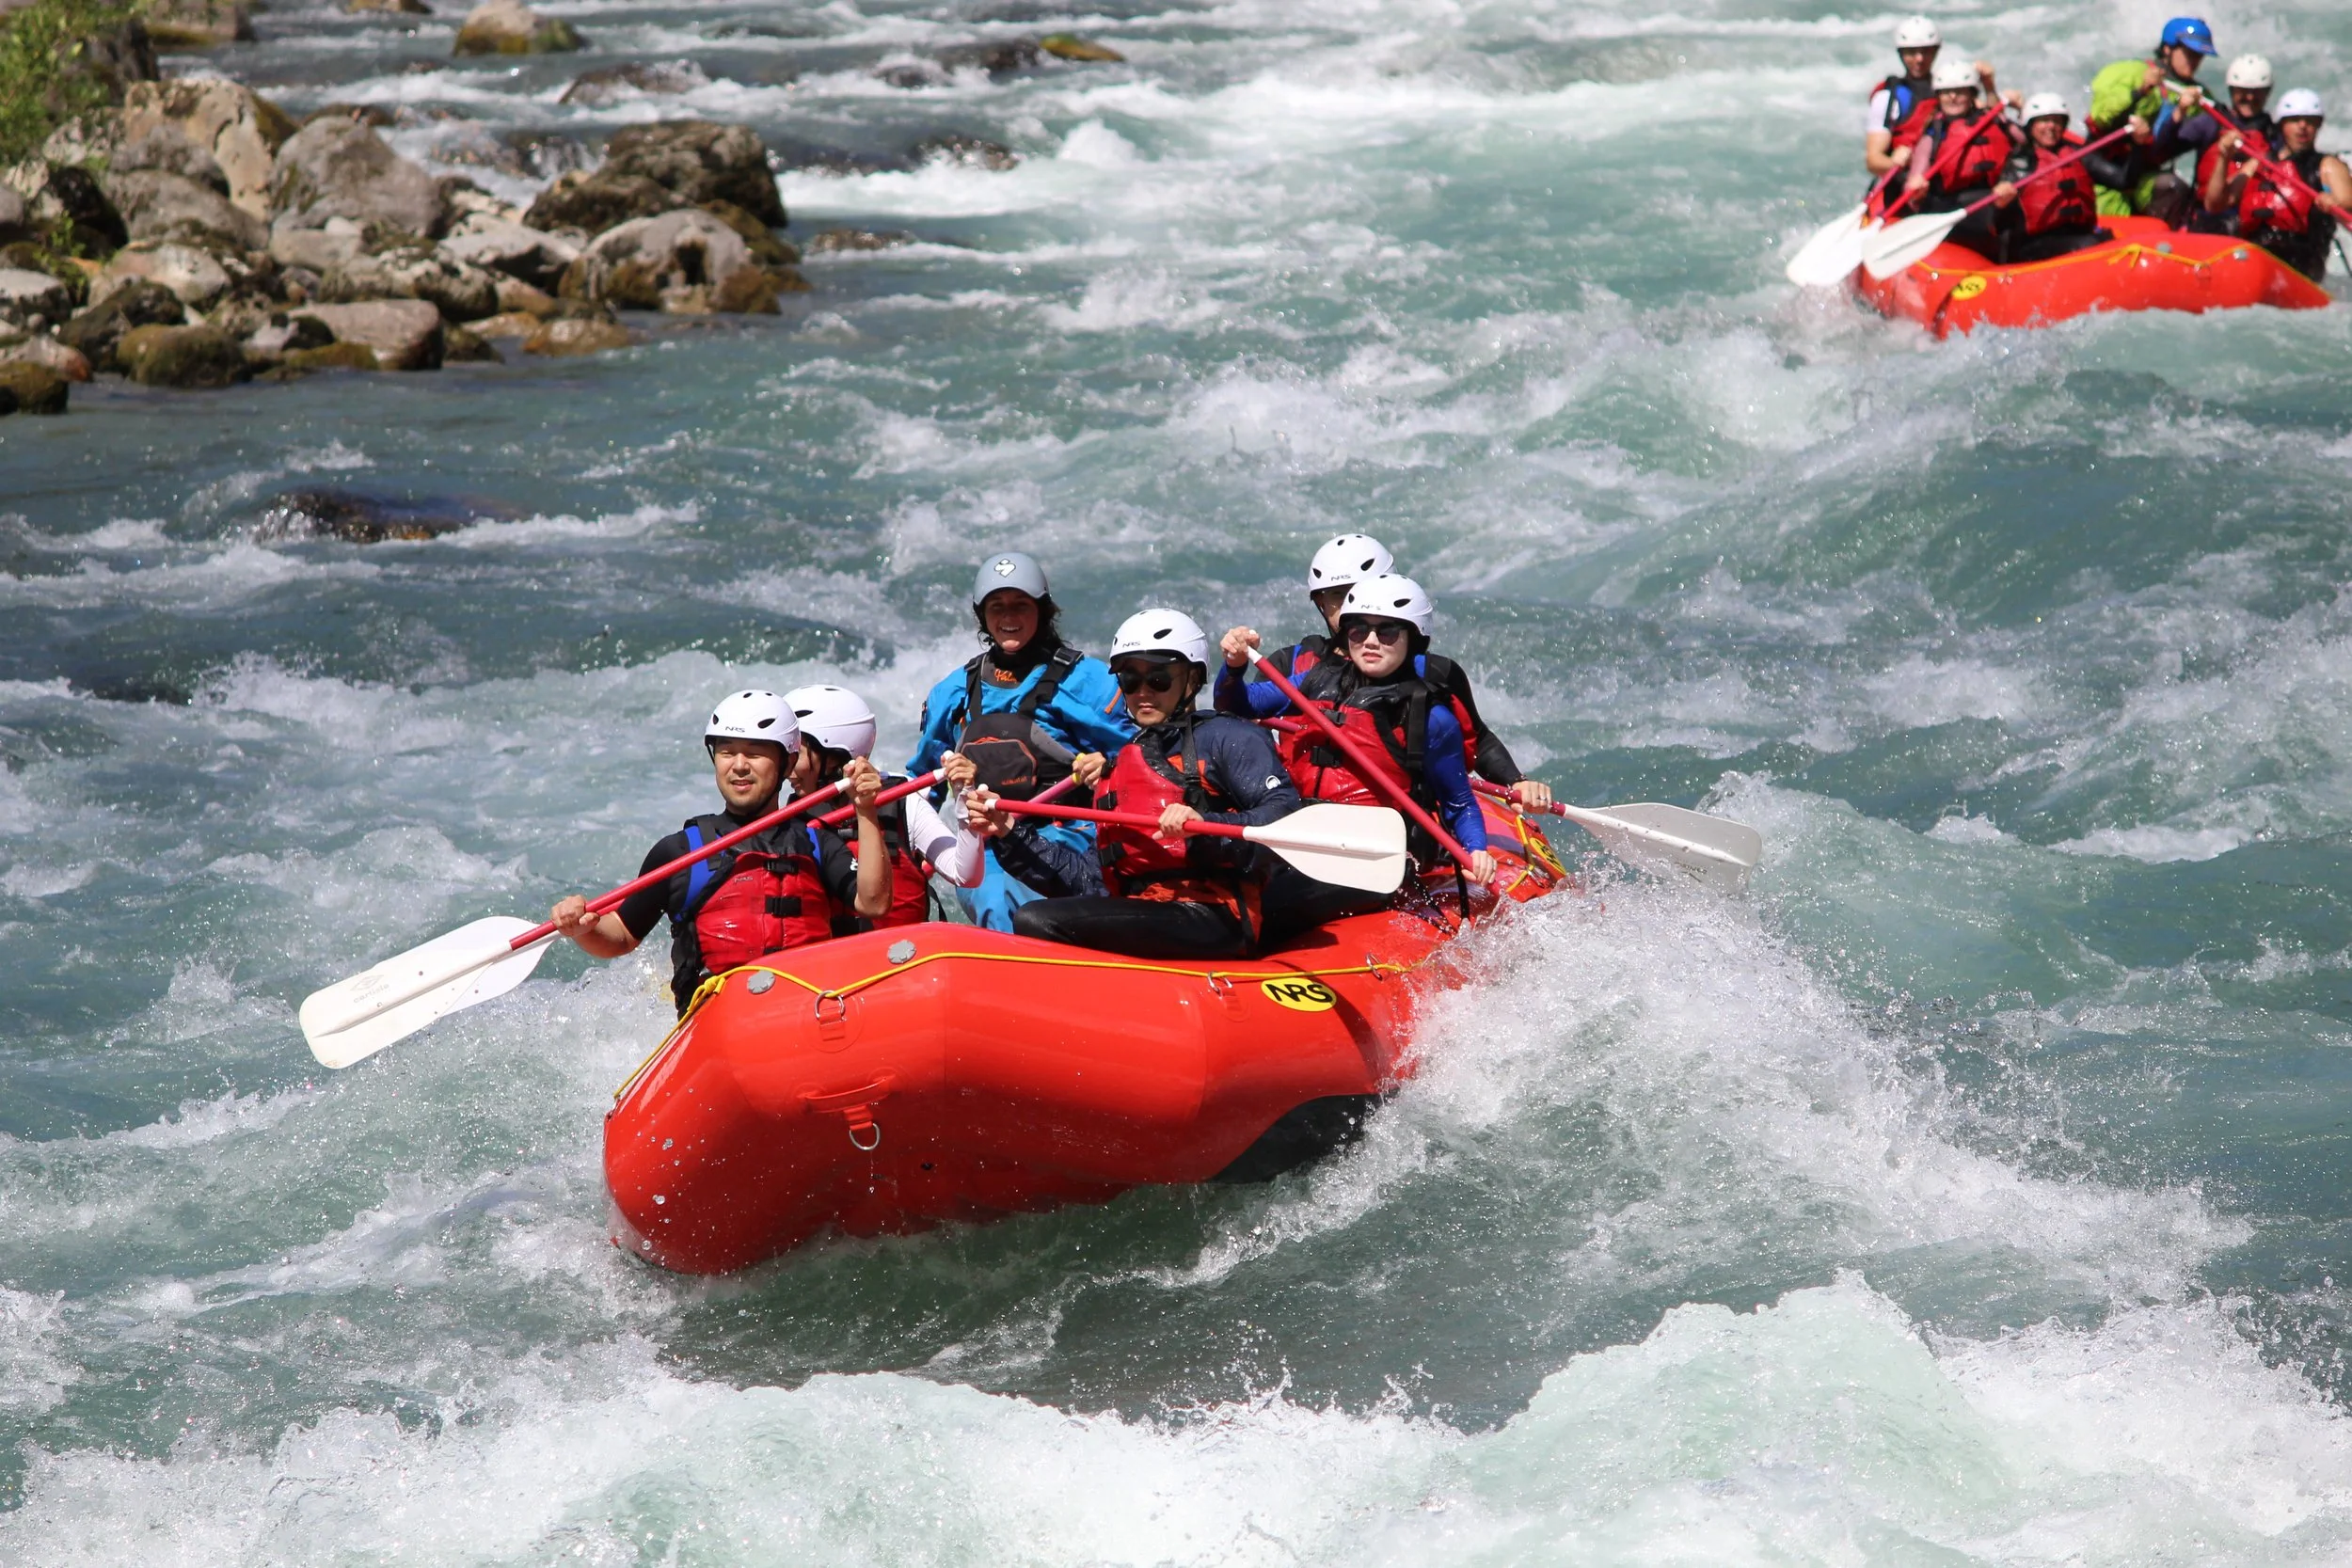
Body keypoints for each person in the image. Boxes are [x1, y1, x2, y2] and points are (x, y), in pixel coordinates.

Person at [965, 610, 1323, 960]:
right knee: (1035, 914)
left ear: (1193, 679)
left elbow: (1283, 818)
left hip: (1213, 915)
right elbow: (1089, 879)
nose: (1143, 692)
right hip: (1144, 911)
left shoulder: (1226, 737)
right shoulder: (1121, 766)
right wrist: (1009, 832)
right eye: (1130, 680)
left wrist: (1205, 827)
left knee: (1037, 920)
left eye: (1159, 679)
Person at [550, 689, 889, 1015]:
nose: (739, 766)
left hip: (807, 1008)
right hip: (720, 1023)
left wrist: (866, 810)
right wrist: (583, 928)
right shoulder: (681, 851)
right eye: (727, 752)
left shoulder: (816, 843)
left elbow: (874, 902)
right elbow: (620, 936)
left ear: (787, 764)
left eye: (755, 753)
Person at [1215, 533, 1553, 808]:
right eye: (1337, 596)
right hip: (1304, 810)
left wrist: (1517, 782)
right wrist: (1234, 664)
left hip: (1398, 819)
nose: (1353, 604)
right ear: (1320, 603)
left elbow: (1475, 739)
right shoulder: (1287, 666)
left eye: (1360, 591)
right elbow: (1245, 729)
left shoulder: (1433, 673)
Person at [907, 551, 1137, 931]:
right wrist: (906, 852)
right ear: (983, 617)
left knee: (1019, 898)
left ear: (1043, 611)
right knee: (993, 894)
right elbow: (921, 788)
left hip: (1070, 833)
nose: (1009, 618)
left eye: (1021, 606)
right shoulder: (953, 692)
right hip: (992, 840)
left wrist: (1109, 767)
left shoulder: (1089, 683)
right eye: (997, 607)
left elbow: (1146, 755)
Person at [1249, 574, 1496, 888]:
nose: (1371, 641)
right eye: (1359, 630)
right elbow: (1236, 703)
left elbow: (1459, 802)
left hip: (1376, 859)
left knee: (1272, 900)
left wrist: (1477, 850)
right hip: (1306, 833)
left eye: (1388, 631)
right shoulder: (1316, 680)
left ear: (1413, 638)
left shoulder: (1430, 717)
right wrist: (1232, 666)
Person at [785, 684, 986, 932]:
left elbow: (966, 875)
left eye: (796, 754)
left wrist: (964, 796)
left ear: (834, 755)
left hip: (903, 955)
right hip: (830, 960)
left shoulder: (901, 799)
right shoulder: (790, 814)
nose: (786, 768)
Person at [2087, 16, 2220, 220]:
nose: (2195, 61)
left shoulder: (2200, 96)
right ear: (2168, 49)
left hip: (2145, 174)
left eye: (2199, 56)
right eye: (2189, 54)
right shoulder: (2129, 73)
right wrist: (2142, 90)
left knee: (2173, 187)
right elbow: (2101, 117)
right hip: (2107, 171)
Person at [2224, 89, 2352, 283]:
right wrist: (2222, 155)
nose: (2303, 127)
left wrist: (2335, 201)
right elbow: (2221, 200)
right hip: (2253, 255)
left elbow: (2347, 200)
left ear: (2318, 125)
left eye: (2310, 121)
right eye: (2295, 120)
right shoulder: (2260, 163)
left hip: (2301, 266)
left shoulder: (2328, 165)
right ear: (2282, 125)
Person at [1988, 95, 2119, 261]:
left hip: (2077, 235)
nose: (2051, 126)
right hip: (2033, 246)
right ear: (2030, 126)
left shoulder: (2078, 154)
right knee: (2089, 244)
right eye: (2043, 121)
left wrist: (2139, 143)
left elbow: (2122, 180)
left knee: (2103, 240)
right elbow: (1998, 226)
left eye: (2057, 121)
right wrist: (2000, 206)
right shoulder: (2018, 164)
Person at [2191, 55, 2277, 233]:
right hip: (2208, 215)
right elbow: (2162, 148)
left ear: (2268, 92)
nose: (2250, 97)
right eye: (2242, 91)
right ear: (2231, 90)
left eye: (2257, 91)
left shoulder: (2275, 135)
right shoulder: (2210, 122)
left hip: (2252, 219)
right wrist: (2178, 112)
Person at [1866, 17, 1945, 177]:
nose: (1919, 59)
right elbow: (1873, 160)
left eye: (1926, 51)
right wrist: (1896, 164)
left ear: (1936, 51)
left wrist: (1988, 86)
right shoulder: (1888, 97)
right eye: (1911, 52)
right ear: (1901, 54)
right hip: (1905, 180)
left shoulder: (1953, 90)